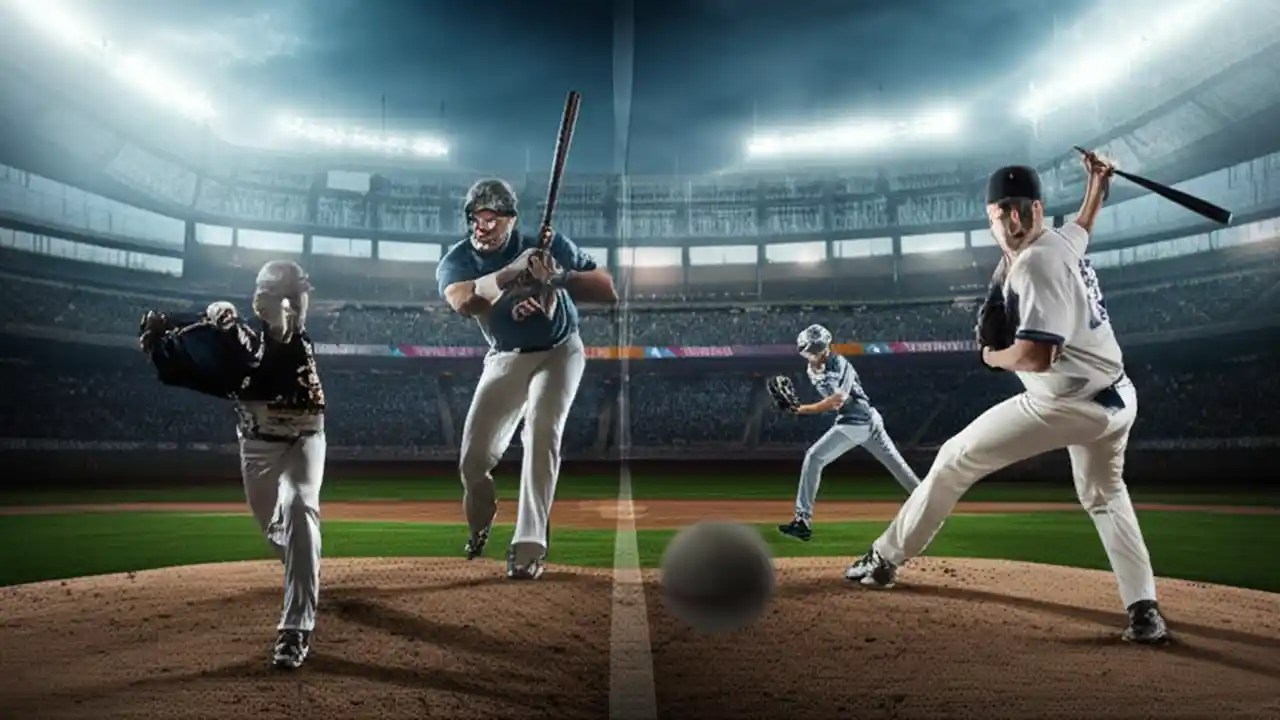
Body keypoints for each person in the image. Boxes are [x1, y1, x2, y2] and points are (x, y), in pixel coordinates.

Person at [843, 151, 1170, 645]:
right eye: (1003, 212)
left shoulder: (1036, 264)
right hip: (1117, 401)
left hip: (1066, 404)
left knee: (954, 457)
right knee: (1104, 494)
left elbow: (1037, 356)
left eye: (1021, 209)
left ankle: (885, 560)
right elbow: (1083, 225)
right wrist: (1096, 183)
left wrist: (991, 357)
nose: (1012, 221)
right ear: (991, 216)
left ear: (1037, 210)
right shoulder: (1059, 240)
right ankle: (1144, 609)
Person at [139, 260, 327, 667]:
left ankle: (296, 628)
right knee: (275, 528)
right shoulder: (239, 337)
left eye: (289, 292)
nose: (293, 300)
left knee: (297, 506)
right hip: (256, 446)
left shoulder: (294, 336)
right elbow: (191, 372)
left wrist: (224, 325)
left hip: (304, 439)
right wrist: (167, 338)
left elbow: (269, 356)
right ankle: (303, 562)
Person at [435, 178, 618, 579]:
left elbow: (608, 290)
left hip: (559, 350)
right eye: (476, 218)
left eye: (492, 218)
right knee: (472, 462)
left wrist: (557, 277)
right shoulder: (458, 259)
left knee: (541, 431)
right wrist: (512, 272)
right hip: (506, 357)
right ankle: (480, 524)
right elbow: (465, 303)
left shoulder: (547, 242)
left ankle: (529, 544)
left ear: (511, 220)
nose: (482, 226)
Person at [777, 323, 920, 541]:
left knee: (814, 457)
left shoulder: (839, 363)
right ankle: (930, 501)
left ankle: (802, 520)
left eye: (813, 349)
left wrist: (802, 409)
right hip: (868, 419)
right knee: (898, 466)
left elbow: (838, 400)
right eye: (808, 350)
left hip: (857, 420)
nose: (810, 354)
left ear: (824, 347)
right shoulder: (811, 369)